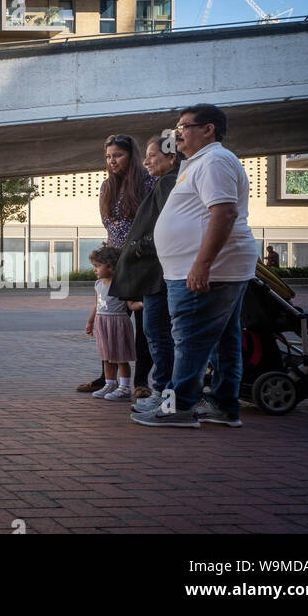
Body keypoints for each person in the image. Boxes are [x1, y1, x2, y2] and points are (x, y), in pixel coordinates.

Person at [132, 104, 257, 429]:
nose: (176, 134)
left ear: (208, 129)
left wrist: (202, 264)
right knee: (222, 341)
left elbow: (224, 213)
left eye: (183, 127)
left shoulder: (215, 161)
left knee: (189, 339)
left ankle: (180, 407)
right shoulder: (200, 162)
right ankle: (223, 405)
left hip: (209, 270)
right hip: (205, 268)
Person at [76, 135, 153, 393]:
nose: (112, 161)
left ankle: (140, 382)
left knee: (143, 326)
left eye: (118, 155)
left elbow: (153, 221)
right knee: (108, 321)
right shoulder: (107, 186)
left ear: (132, 155)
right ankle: (106, 380)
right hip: (115, 264)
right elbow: (108, 222)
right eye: (108, 156)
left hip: (141, 263)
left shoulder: (148, 182)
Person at [116, 135, 184, 415]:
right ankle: (166, 395)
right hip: (161, 271)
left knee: (157, 334)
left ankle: (164, 396)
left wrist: (140, 248)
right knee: (159, 334)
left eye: (152, 155)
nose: (145, 161)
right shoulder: (168, 182)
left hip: (158, 274)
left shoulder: (169, 183)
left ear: (171, 157)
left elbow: (170, 225)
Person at [85, 246, 135, 400]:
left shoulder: (122, 284)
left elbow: (131, 304)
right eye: (94, 266)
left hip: (118, 323)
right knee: (106, 356)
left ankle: (125, 387)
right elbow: (97, 304)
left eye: (98, 266)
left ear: (112, 267)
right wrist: (90, 321)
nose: (95, 269)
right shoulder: (98, 284)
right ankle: (110, 383)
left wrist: (142, 304)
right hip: (102, 323)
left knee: (120, 356)